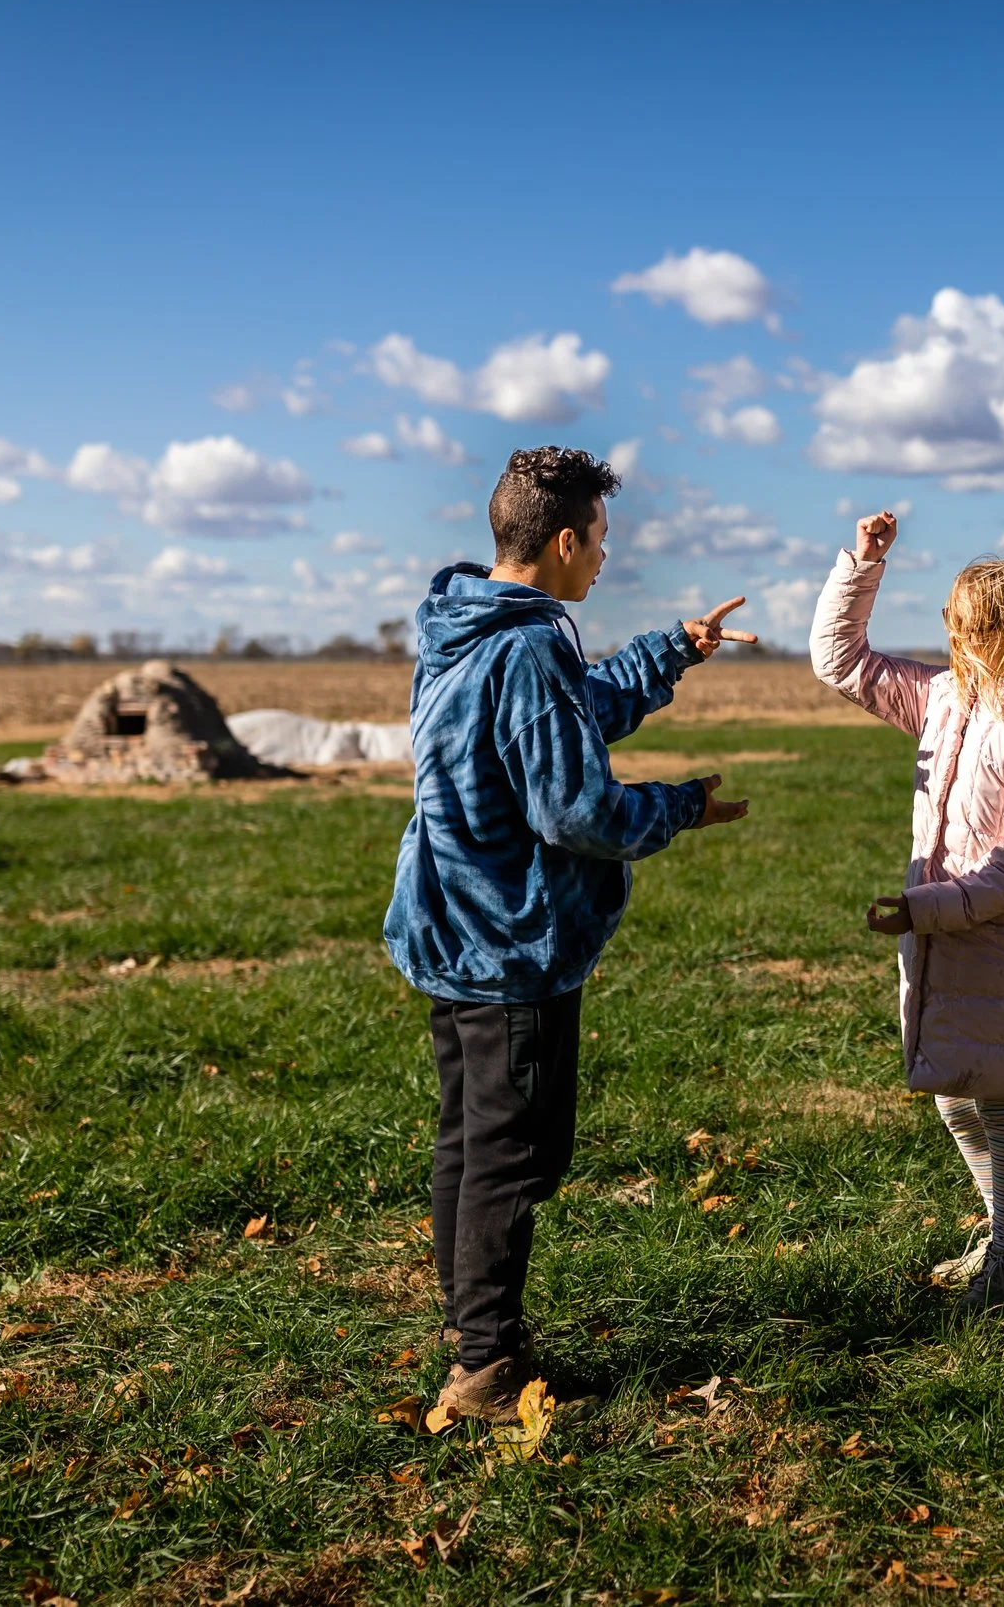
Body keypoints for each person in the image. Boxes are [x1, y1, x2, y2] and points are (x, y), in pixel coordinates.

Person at [384, 446, 755, 1423]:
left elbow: (567, 718)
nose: (601, 560)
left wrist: (670, 649)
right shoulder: (531, 641)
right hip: (510, 938)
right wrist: (679, 809)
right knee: (516, 1154)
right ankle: (484, 1367)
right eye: (598, 540)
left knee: (472, 1142)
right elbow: (575, 808)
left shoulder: (462, 626)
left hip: (449, 925)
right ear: (562, 538)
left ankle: (481, 1336)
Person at [811, 511, 1004, 1320]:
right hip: (942, 945)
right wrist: (863, 564)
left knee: (1002, 1100)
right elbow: (841, 663)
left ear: (999, 633)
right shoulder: (944, 698)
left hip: (1002, 948)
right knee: (953, 1098)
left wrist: (924, 909)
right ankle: (1003, 1234)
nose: (945, 630)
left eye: (959, 620)